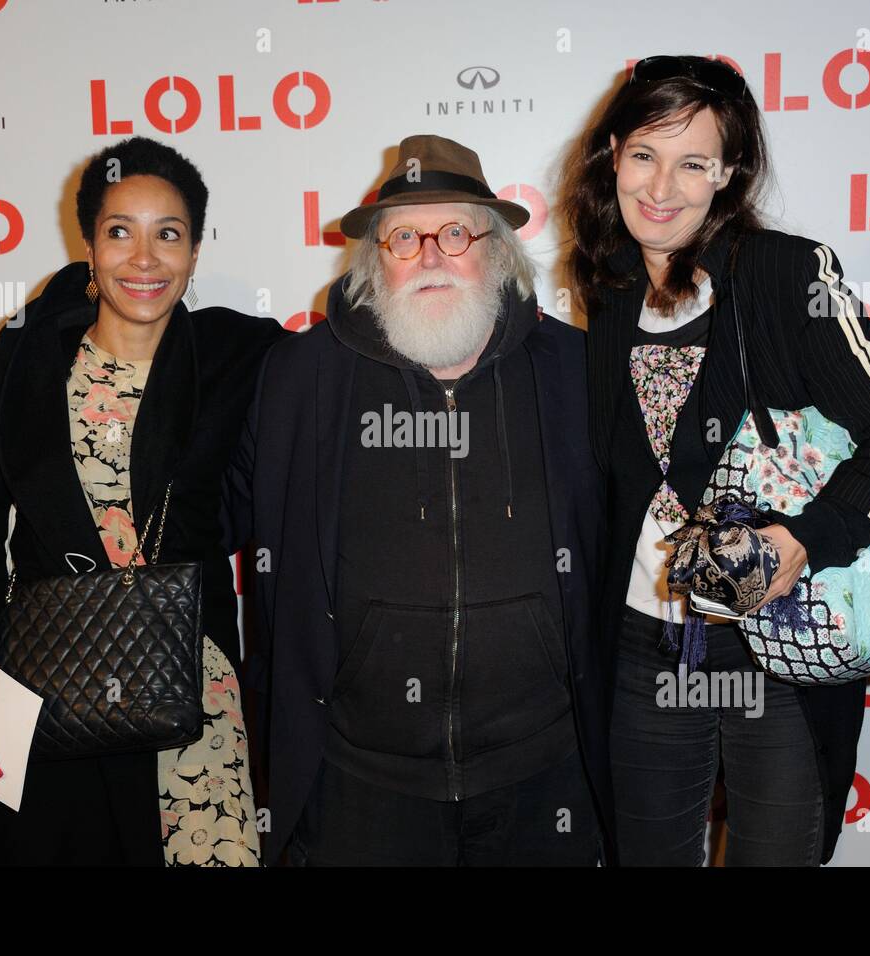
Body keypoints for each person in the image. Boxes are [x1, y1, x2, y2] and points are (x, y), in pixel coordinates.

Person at [562, 56, 870, 865]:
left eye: (693, 162)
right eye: (643, 154)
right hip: (646, 647)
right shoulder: (607, 286)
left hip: (780, 647)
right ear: (611, 154)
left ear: (727, 174)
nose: (661, 187)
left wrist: (803, 538)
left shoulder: (782, 274)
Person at [0, 136, 286, 865]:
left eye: (169, 234)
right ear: (90, 247)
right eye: (119, 232)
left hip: (191, 698)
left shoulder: (239, 357)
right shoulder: (12, 373)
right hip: (47, 697)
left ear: (194, 252)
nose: (144, 258)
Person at [223, 134, 615, 865]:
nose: (431, 254)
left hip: (544, 775)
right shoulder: (300, 382)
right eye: (405, 235)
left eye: (455, 232)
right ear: (376, 259)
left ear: (496, 251)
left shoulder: (578, 373)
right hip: (360, 785)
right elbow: (208, 515)